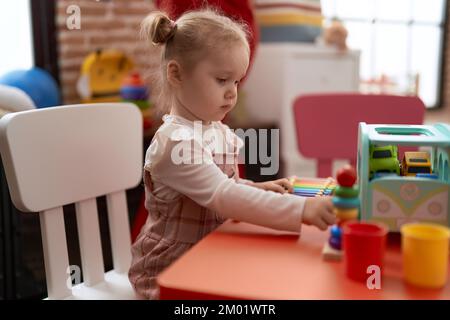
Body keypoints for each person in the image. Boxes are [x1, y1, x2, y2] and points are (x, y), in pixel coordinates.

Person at [128, 9, 336, 300]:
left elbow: (222, 186)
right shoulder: (177, 143)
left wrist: (253, 186)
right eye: (222, 80)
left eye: (236, 81)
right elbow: (222, 197)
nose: (232, 93)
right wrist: (303, 211)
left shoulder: (215, 130)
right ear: (175, 73)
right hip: (171, 272)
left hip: (213, 254)